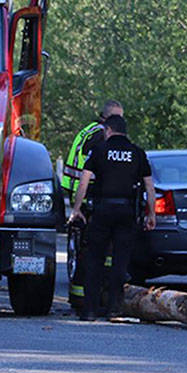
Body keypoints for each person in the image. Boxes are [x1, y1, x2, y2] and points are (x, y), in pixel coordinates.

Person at [67, 114, 154, 320]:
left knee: (94, 260)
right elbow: (149, 187)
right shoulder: (137, 153)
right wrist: (152, 214)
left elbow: (84, 181)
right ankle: (115, 308)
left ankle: (89, 310)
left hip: (102, 211)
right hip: (127, 213)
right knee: (120, 261)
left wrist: (77, 209)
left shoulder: (99, 150)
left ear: (108, 130)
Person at [62, 100, 123, 312]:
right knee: (95, 251)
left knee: (84, 249)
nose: (119, 122)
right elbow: (94, 170)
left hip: (78, 194)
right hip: (89, 197)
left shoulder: (87, 130)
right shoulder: (100, 137)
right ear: (107, 119)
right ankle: (94, 299)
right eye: (116, 117)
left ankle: (80, 297)